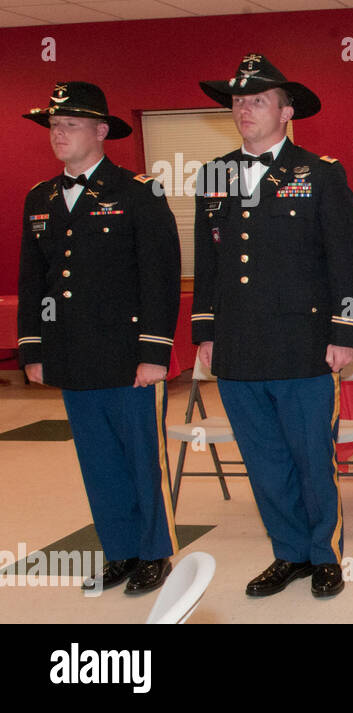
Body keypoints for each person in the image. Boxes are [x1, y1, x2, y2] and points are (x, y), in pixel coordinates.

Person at [193, 54, 353, 599]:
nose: (245, 109)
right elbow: (208, 261)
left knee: (312, 458)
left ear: (286, 111)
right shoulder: (214, 174)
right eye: (239, 101)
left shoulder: (319, 173)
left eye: (258, 100)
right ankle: (287, 552)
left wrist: (344, 332)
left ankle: (324, 554)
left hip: (303, 345)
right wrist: (206, 331)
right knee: (265, 461)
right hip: (240, 347)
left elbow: (348, 260)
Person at [17, 81, 180, 594]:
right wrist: (33, 347)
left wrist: (155, 352)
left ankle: (155, 552)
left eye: (69, 124)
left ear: (101, 131)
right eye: (54, 125)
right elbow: (33, 280)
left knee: (140, 461)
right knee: (98, 464)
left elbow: (161, 276)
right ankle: (120, 551)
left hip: (129, 357)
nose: (58, 134)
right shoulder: (40, 198)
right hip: (71, 354)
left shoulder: (138, 191)